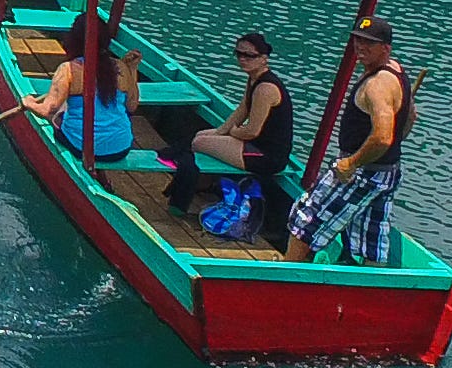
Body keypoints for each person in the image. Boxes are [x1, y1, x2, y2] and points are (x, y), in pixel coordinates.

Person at [287, 17, 412, 265]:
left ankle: (286, 278)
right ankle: (371, 294)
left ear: (386, 48)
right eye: (358, 40)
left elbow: (383, 136)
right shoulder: (396, 71)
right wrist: (391, 148)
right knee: (372, 239)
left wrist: (351, 163)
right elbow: (410, 116)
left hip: (361, 172)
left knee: (305, 222)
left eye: (369, 43)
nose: (360, 47)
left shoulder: (377, 85)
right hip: (387, 172)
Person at [165, 32, 291, 229]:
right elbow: (242, 110)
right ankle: (197, 185)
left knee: (198, 143)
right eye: (239, 54)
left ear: (263, 58)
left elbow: (251, 131)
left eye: (249, 56)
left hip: (267, 156)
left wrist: (231, 132)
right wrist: (220, 131)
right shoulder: (254, 79)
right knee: (201, 135)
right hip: (253, 145)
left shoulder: (266, 88)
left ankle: (183, 196)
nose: (242, 59)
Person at [26, 20, 139, 160]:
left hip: (81, 147)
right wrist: (132, 69)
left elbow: (47, 110)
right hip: (120, 149)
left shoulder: (68, 69)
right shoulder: (121, 66)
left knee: (58, 117)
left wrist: (28, 102)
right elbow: (132, 106)